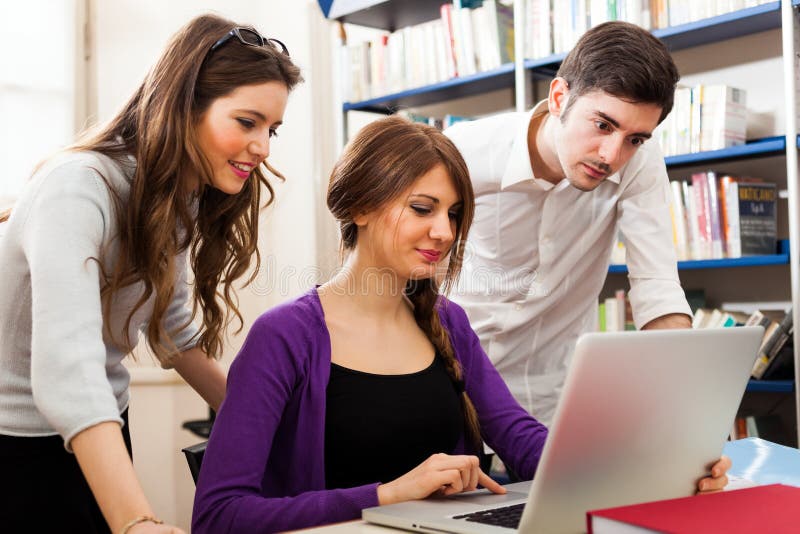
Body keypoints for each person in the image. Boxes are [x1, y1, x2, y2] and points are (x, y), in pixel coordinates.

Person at [191, 116, 730, 534]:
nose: (444, 232)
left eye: (454, 215)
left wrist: (650, 468)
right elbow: (219, 515)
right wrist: (386, 494)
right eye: (423, 208)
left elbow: (518, 439)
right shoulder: (284, 336)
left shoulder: (446, 322)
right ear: (359, 206)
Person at [0, 14, 301, 534]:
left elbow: (171, 329)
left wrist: (267, 427)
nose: (264, 147)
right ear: (185, 107)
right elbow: (68, 368)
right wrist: (136, 520)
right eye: (247, 122)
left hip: (103, 423)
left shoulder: (172, 196)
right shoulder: (78, 187)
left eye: (271, 129)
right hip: (17, 444)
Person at [445, 21, 693, 426]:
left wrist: (685, 409)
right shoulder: (464, 152)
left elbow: (657, 286)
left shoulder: (641, 160)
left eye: (635, 138)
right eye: (603, 125)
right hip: (453, 383)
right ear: (559, 97)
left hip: (554, 395)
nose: (612, 155)